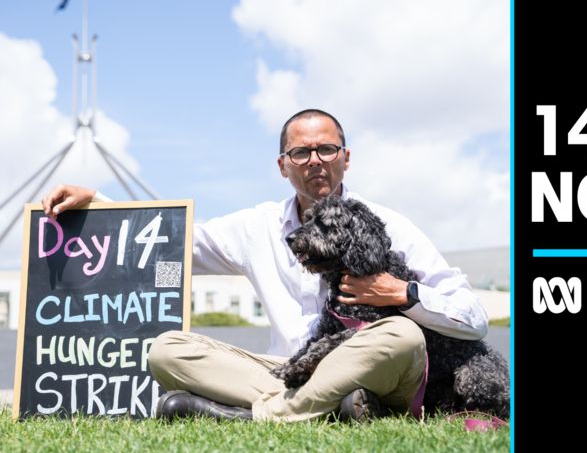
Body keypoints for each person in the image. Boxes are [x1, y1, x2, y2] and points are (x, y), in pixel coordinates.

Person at [41, 109, 488, 422]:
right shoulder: (255, 226)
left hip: (380, 370)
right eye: (301, 153)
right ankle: (329, 406)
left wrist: (404, 295)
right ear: (282, 166)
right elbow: (171, 242)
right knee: (166, 351)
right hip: (285, 368)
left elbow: (474, 318)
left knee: (403, 334)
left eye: (327, 149)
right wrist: (100, 203)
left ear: (346, 158)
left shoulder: (390, 224)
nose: (315, 160)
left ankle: (250, 414)